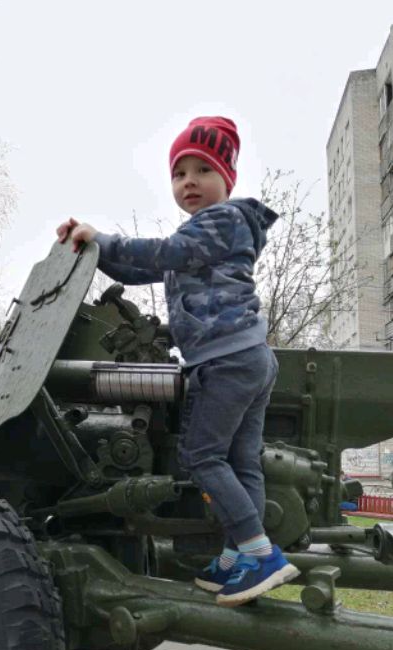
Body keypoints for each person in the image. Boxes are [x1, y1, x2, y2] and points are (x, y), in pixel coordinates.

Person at [56, 116, 299, 607]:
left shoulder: (223, 222)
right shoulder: (208, 237)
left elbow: (165, 251)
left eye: (202, 170)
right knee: (240, 462)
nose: (188, 181)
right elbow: (143, 266)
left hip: (225, 360)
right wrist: (91, 250)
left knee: (202, 457)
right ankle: (238, 558)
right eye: (178, 173)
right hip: (247, 357)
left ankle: (260, 552)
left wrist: (102, 236)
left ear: (226, 180)